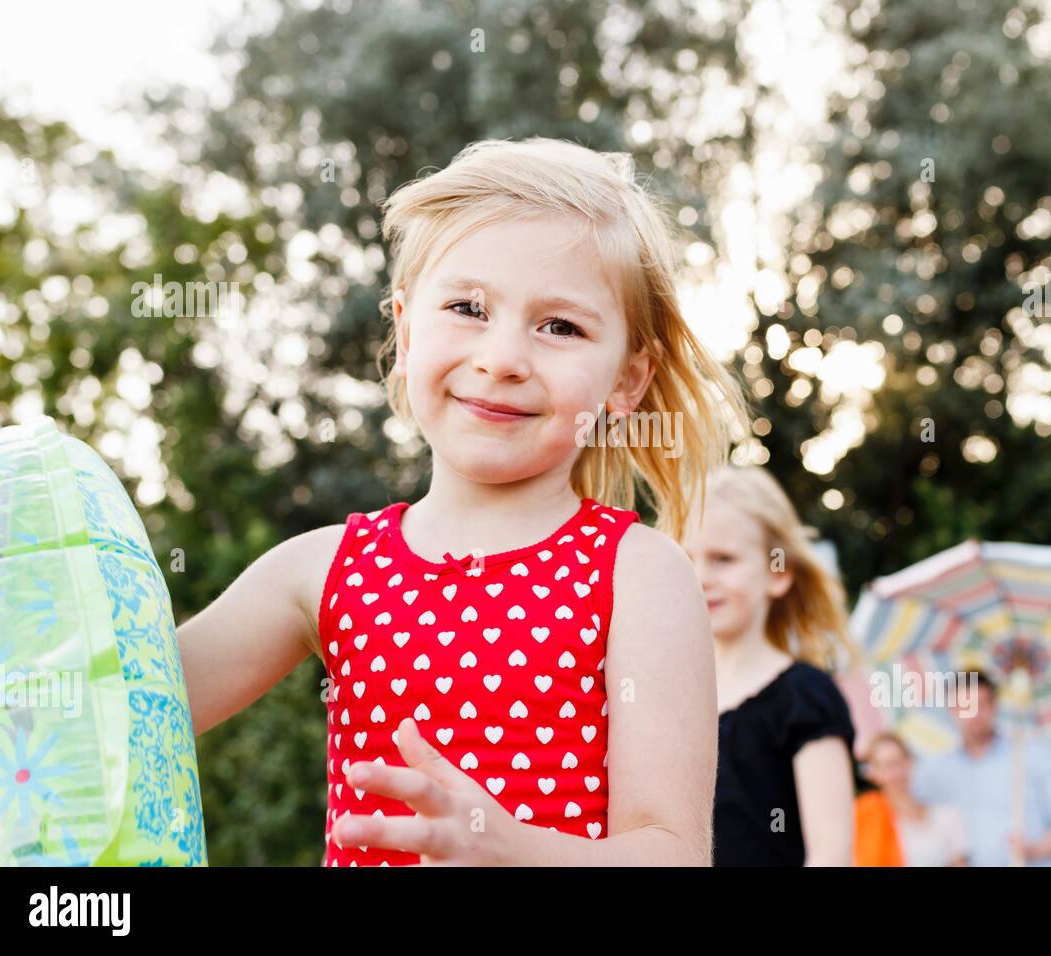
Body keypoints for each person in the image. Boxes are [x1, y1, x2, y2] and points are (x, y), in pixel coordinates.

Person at [176, 138, 753, 865]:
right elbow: (126, 711)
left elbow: (672, 853)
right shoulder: (321, 571)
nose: (503, 358)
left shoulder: (639, 576)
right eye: (468, 307)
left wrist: (509, 847)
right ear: (407, 329)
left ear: (626, 382)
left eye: (560, 327)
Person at [682, 464, 856, 866]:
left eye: (724, 559)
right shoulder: (666, 700)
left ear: (778, 574)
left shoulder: (805, 697)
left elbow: (831, 855)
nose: (701, 576)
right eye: (687, 557)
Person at [910, 671, 1051, 866]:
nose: (974, 714)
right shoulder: (936, 772)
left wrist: (1040, 847)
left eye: (981, 705)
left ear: (994, 706)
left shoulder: (1033, 753)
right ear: (951, 710)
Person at [855, 732, 967, 866]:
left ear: (911, 762)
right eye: (888, 766)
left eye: (901, 761)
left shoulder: (946, 816)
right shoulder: (866, 820)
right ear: (874, 773)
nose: (897, 772)